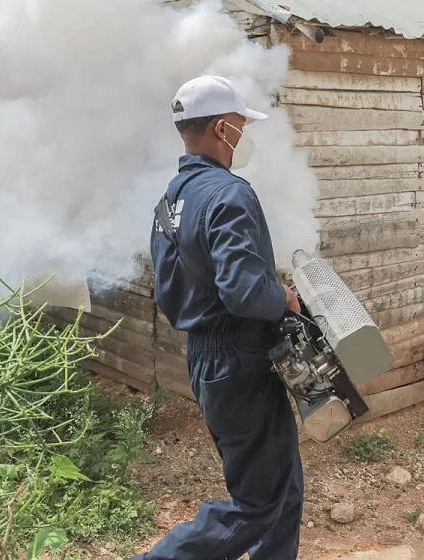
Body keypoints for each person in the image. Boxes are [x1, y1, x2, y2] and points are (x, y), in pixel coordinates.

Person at [135, 75, 303, 560]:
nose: (243, 135)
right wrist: (285, 300)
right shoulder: (229, 194)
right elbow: (245, 290)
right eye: (241, 125)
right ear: (223, 128)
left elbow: (169, 290)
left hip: (209, 360)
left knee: (283, 485)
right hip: (240, 361)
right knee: (256, 506)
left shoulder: (170, 201)